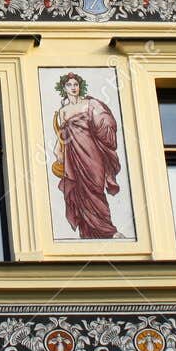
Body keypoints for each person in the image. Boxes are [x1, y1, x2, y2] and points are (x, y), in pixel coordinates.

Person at [51, 72, 123, 239]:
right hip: (74, 155)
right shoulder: (62, 111)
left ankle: (107, 227)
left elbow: (105, 121)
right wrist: (58, 150)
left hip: (92, 151)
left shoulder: (90, 103)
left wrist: (104, 121)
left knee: (96, 187)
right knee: (81, 191)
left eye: (76, 85)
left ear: (80, 86)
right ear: (64, 89)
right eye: (69, 85)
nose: (73, 88)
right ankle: (91, 232)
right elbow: (61, 134)